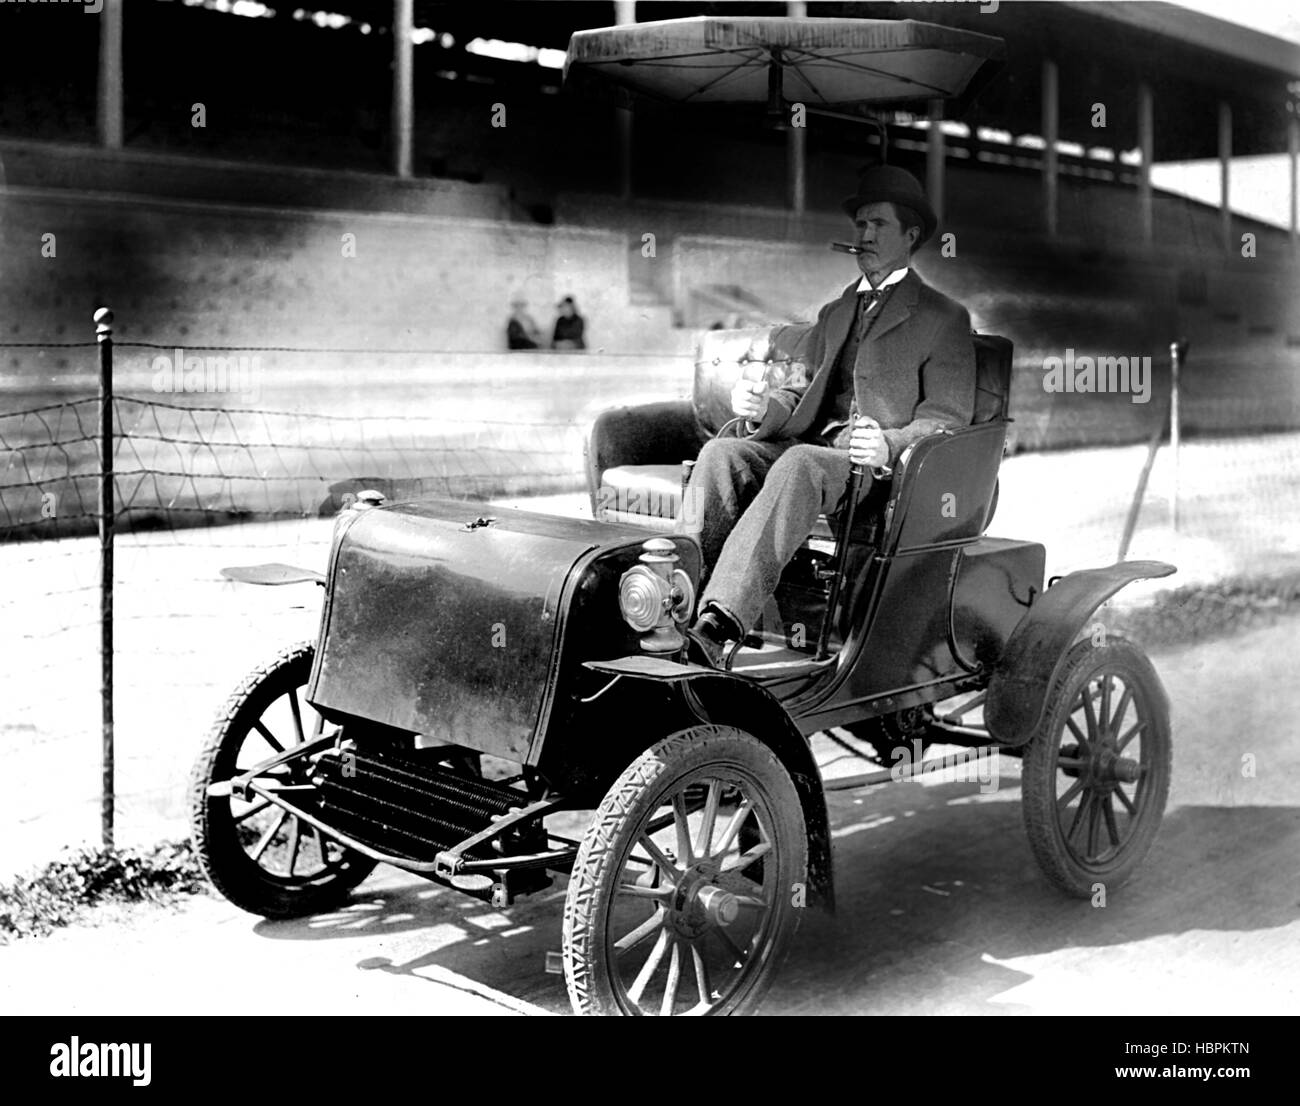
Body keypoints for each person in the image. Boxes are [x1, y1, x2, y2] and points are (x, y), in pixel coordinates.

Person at [677, 165, 977, 669]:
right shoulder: (837, 311)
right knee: (722, 453)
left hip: (875, 473)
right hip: (814, 450)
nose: (865, 234)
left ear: (911, 236)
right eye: (860, 224)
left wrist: (891, 445)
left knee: (801, 465)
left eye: (879, 224)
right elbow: (804, 390)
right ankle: (676, 601)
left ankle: (719, 623)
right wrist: (764, 410)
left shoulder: (944, 318)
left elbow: (947, 417)